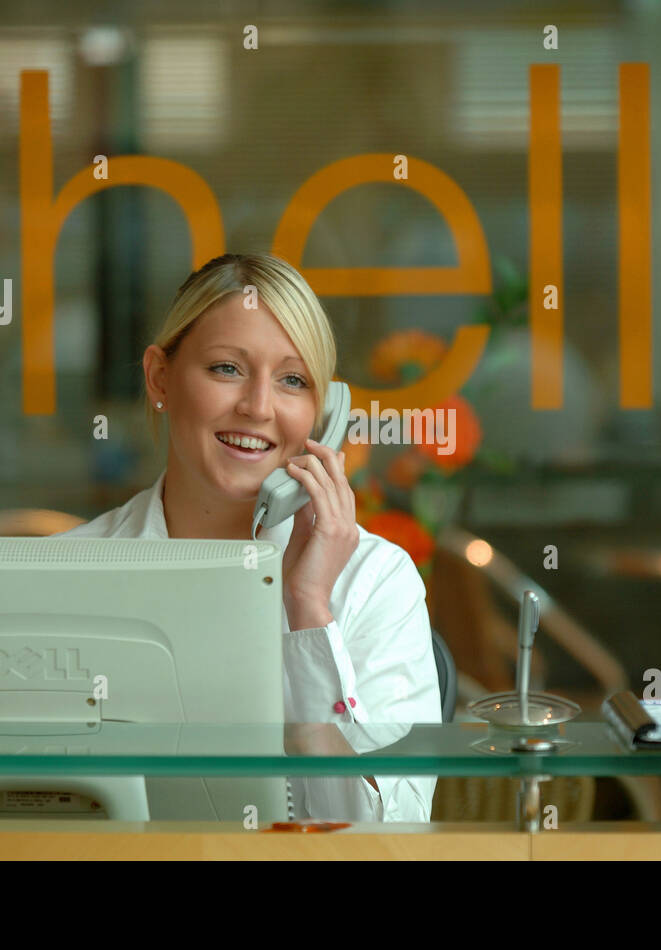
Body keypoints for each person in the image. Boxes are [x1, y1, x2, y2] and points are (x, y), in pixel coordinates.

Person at [54, 252, 442, 822]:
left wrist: (309, 612)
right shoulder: (69, 571)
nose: (259, 407)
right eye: (227, 369)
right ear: (160, 377)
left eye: (292, 380)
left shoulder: (375, 580)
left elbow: (389, 842)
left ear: (323, 412)